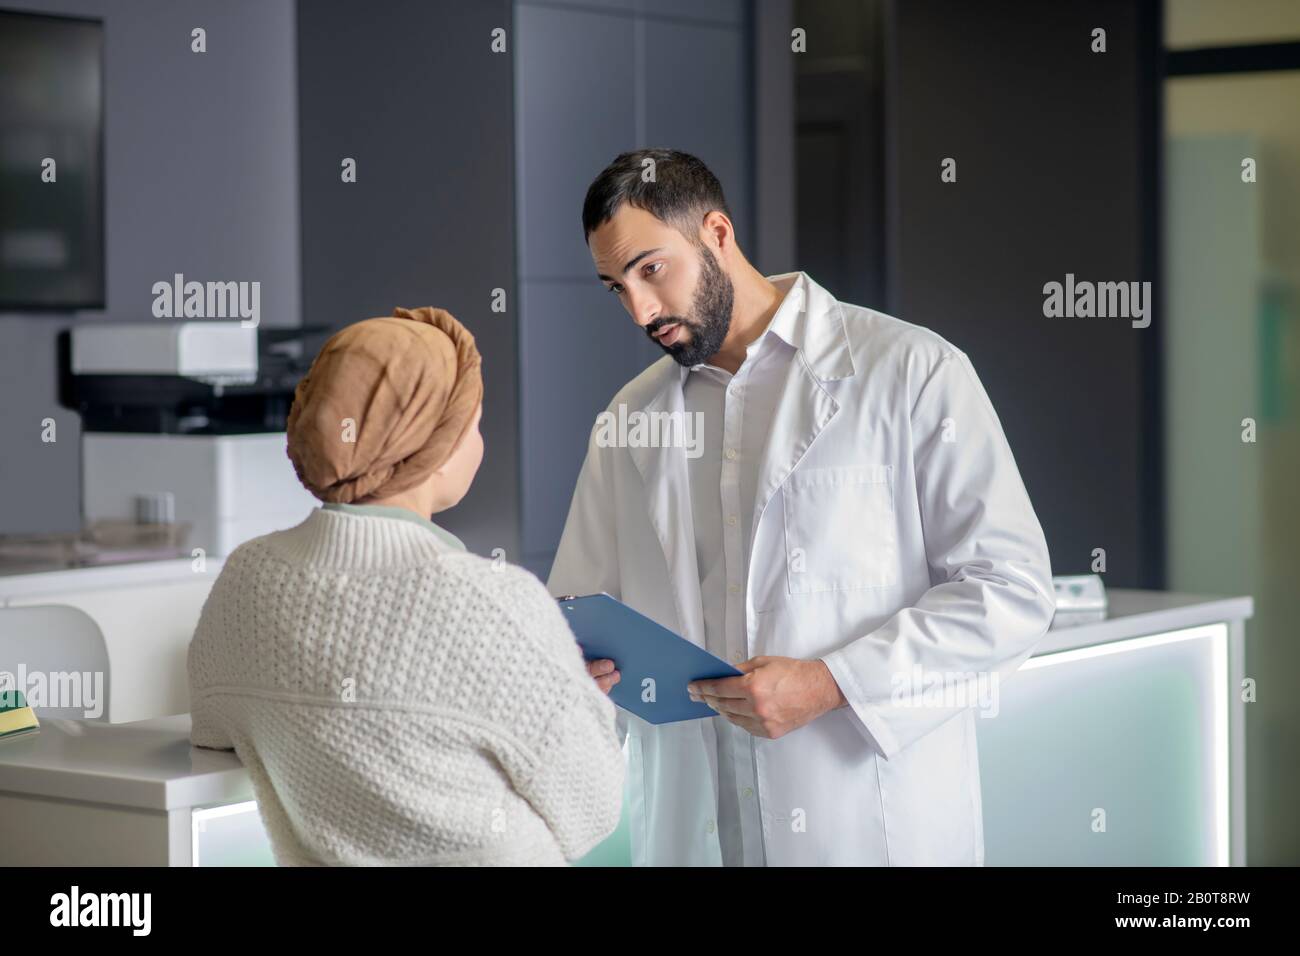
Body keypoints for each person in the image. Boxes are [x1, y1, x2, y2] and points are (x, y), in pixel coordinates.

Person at [548, 149, 1057, 866]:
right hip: (696, 829)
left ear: (716, 234)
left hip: (862, 822)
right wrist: (579, 670)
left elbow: (1012, 593)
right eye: (615, 288)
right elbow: (581, 607)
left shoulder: (910, 370)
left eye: (651, 269)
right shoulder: (632, 416)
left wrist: (831, 683)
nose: (641, 310)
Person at [188, 306, 624, 866]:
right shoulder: (490, 600)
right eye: (473, 422)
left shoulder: (246, 581)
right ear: (436, 448)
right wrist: (572, 700)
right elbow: (594, 807)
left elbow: (213, 724)